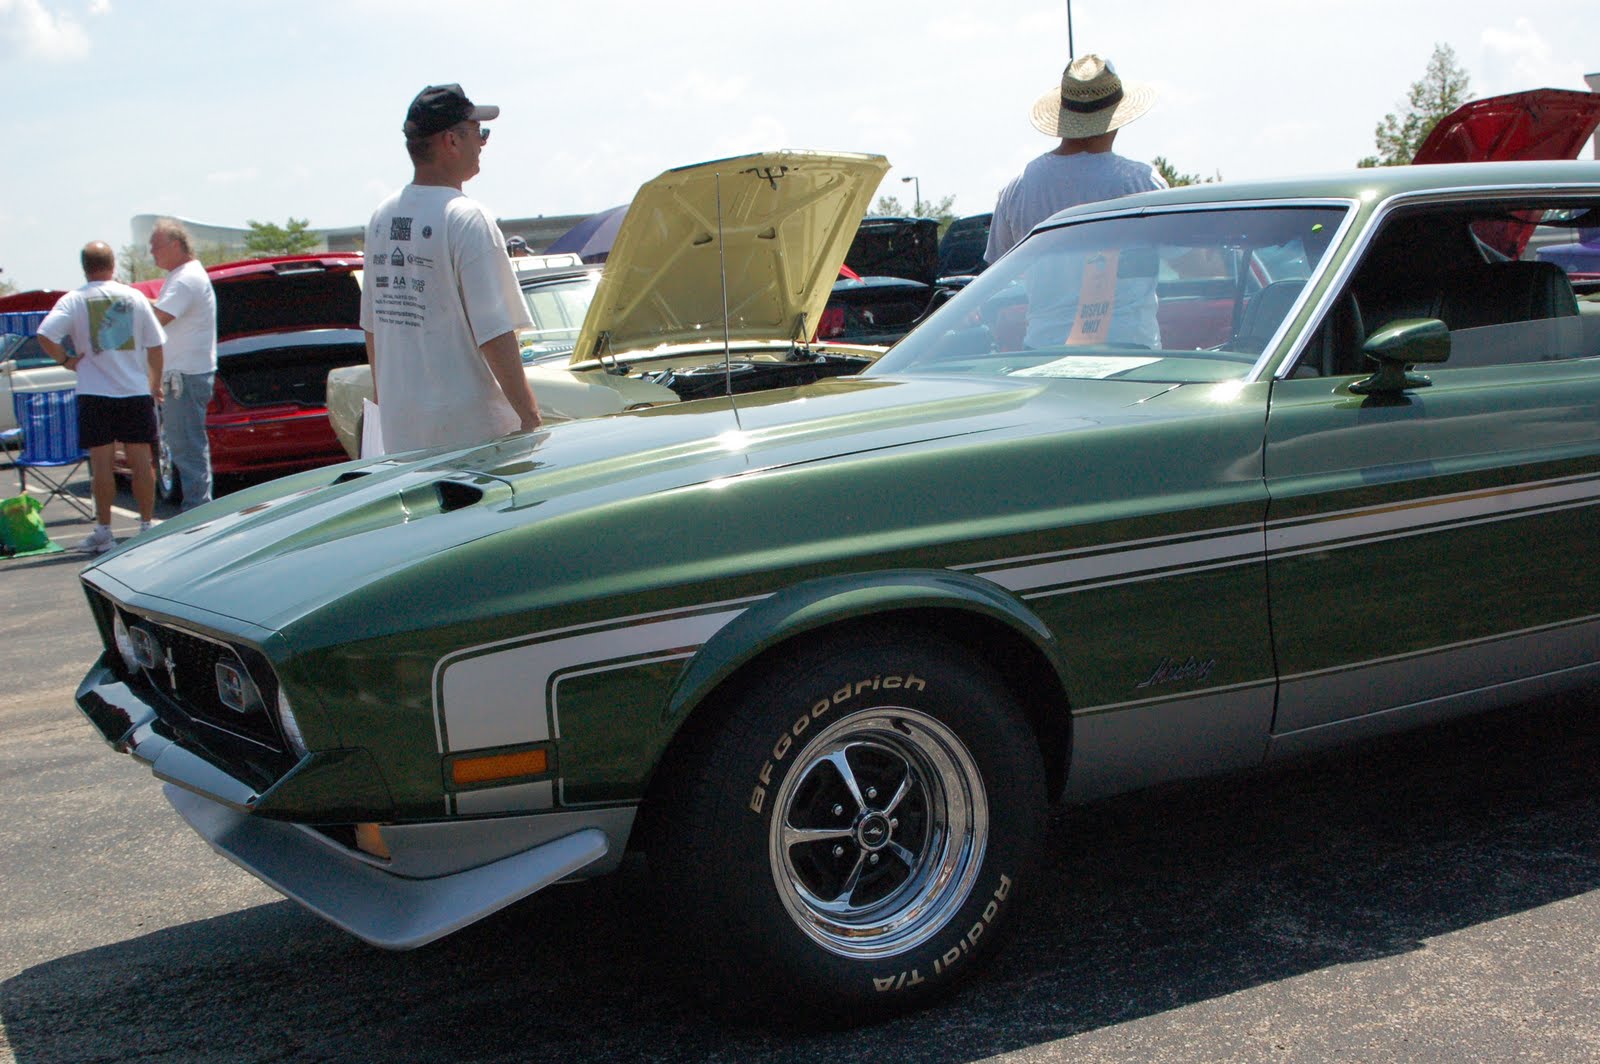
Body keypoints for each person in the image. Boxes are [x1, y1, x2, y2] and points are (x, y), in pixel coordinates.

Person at [360, 82, 540, 454]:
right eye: (479, 132)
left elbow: (373, 329)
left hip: (404, 440)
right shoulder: (466, 218)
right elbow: (495, 332)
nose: (483, 143)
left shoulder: (381, 219)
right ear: (451, 142)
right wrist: (531, 418)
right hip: (473, 440)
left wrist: (387, 410)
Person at [36, 242, 165, 554]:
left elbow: (44, 334)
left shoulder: (74, 299)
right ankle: (146, 526)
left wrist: (66, 360)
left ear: (84, 267)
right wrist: (155, 383)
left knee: (102, 464)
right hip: (134, 390)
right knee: (141, 461)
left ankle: (104, 531)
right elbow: (157, 344)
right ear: (114, 264)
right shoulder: (134, 296)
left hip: (94, 392)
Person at [984, 54, 1166, 265]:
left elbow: (997, 269)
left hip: (1045, 300)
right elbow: (1188, 263)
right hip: (1131, 301)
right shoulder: (1143, 183)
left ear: (1063, 114)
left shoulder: (1019, 188)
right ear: (1117, 116)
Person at [148, 217, 218, 510]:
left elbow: (157, 318)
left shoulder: (186, 278)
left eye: (155, 247)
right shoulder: (183, 276)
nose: (152, 254)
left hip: (185, 376)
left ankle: (198, 513)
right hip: (185, 374)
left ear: (175, 245)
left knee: (187, 447)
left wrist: (130, 301)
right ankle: (198, 508)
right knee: (185, 445)